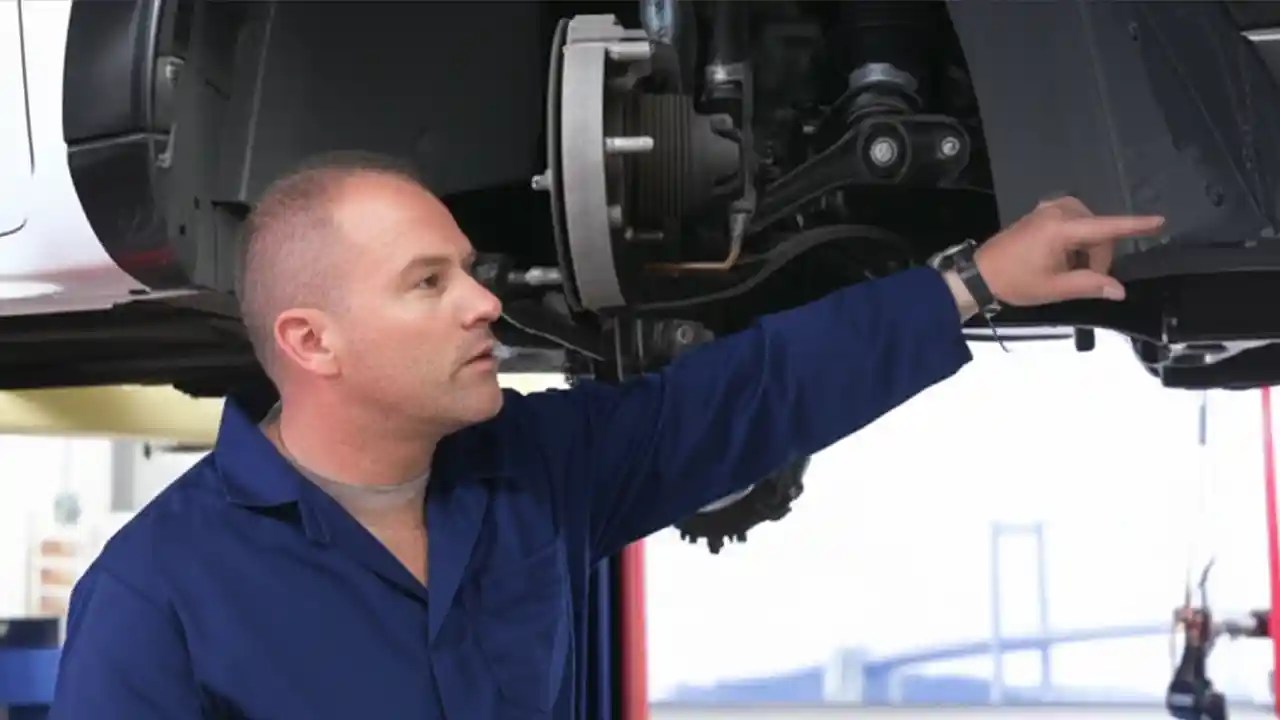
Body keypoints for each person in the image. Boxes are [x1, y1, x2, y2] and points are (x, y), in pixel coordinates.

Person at [48, 151, 1164, 719]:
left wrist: (973, 281)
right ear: (313, 339)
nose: (484, 305)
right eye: (427, 283)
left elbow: (745, 397)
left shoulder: (533, 472)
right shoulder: (159, 596)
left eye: (471, 274)